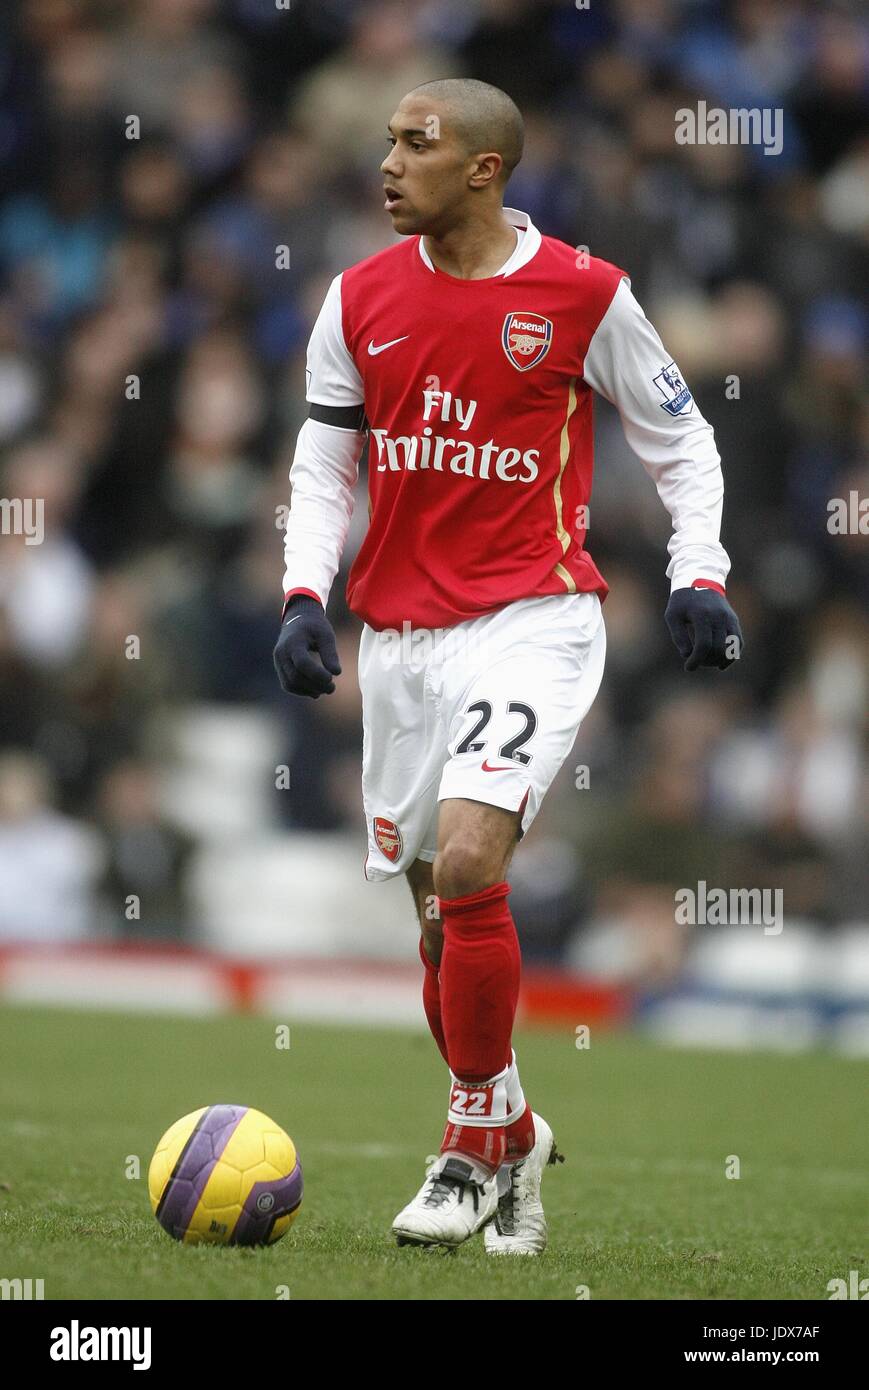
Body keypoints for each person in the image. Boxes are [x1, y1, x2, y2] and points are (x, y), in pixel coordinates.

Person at [273, 78, 743, 1253]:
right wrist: (301, 595)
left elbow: (680, 438)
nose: (386, 162)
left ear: (484, 168)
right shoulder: (358, 296)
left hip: (534, 616)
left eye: (414, 144)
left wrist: (699, 571)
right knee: (439, 923)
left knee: (475, 858)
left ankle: (464, 1143)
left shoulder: (584, 295)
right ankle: (515, 1127)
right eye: (384, 140)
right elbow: (326, 465)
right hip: (402, 641)